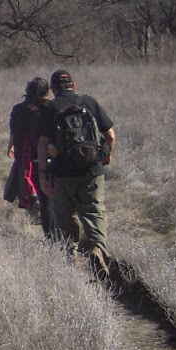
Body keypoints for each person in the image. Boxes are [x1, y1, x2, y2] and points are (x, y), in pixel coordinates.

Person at [37, 69, 117, 279]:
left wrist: (43, 174)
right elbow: (110, 135)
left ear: (53, 89)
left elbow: (43, 144)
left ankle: (69, 259)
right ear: (74, 85)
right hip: (92, 168)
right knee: (94, 210)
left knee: (65, 215)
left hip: (63, 172)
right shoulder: (89, 102)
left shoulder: (49, 108)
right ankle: (97, 248)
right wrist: (106, 155)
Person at [5, 77, 52, 235]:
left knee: (26, 175)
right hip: (43, 149)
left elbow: (14, 130)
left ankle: (34, 205)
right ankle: (39, 207)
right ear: (47, 92)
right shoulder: (48, 107)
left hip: (24, 148)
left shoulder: (19, 108)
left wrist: (10, 145)